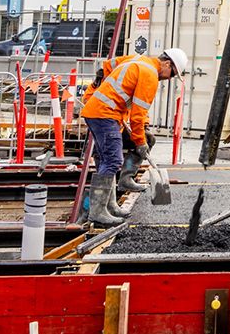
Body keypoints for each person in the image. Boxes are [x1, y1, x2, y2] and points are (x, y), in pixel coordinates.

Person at [78, 47, 186, 226]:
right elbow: (138, 114)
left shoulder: (138, 60)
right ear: (167, 64)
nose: (169, 78)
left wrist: (101, 77)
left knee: (107, 161)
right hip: (105, 114)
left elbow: (109, 64)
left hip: (100, 113)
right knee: (112, 161)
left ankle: (110, 206)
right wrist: (140, 142)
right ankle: (97, 212)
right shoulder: (150, 75)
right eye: (172, 74)